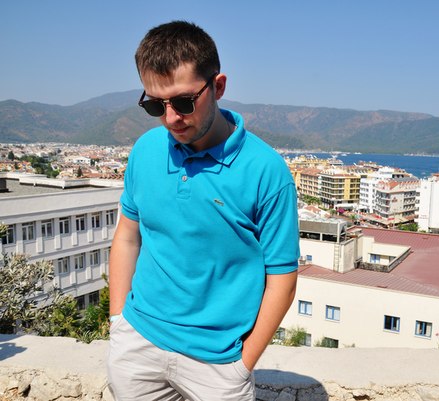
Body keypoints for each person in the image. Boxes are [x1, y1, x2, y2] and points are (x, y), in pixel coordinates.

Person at [107, 20, 300, 401]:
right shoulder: (145, 150)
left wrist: (242, 364)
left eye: (183, 102)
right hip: (137, 343)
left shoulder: (265, 171)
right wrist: (118, 323)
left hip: (218, 361)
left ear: (219, 86)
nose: (170, 119)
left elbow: (282, 277)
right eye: (154, 105)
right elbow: (128, 237)